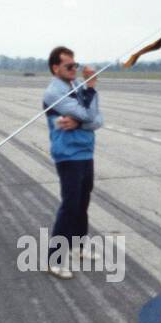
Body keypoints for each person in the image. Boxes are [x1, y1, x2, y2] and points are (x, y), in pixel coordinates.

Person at [42, 45, 103, 279]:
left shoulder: (77, 86)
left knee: (83, 202)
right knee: (69, 206)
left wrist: (79, 123)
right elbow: (90, 114)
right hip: (68, 154)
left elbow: (98, 119)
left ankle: (78, 246)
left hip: (86, 151)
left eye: (75, 65)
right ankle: (53, 259)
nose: (74, 69)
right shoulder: (53, 93)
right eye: (69, 66)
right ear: (55, 67)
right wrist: (90, 90)